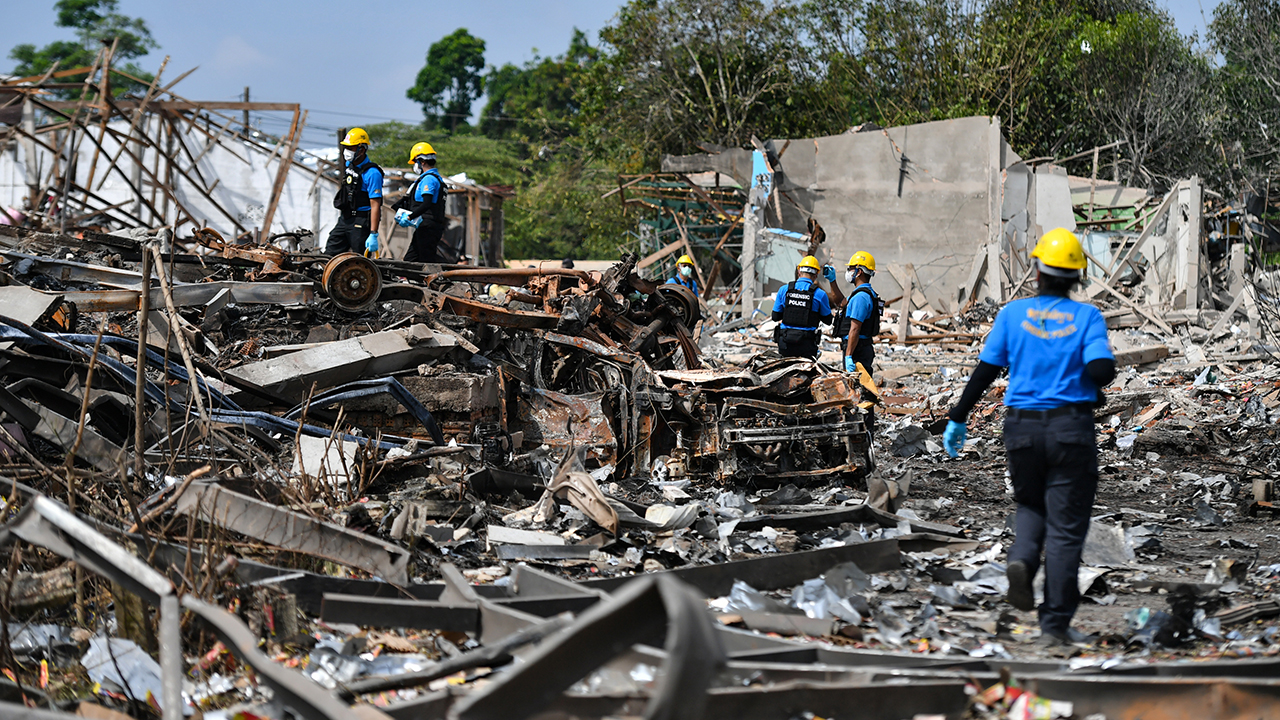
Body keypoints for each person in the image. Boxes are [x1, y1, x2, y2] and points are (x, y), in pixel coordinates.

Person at [942, 227, 1115, 646]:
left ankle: (1020, 559)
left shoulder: (1012, 315)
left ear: (1037, 272)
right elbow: (1102, 371)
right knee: (1066, 529)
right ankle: (1054, 624)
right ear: (1076, 277)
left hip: (1021, 429)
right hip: (1070, 430)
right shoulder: (1087, 317)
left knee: (1030, 505)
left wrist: (958, 418)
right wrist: (1092, 383)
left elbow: (984, 373)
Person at [326, 128, 383, 256]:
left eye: (350, 148)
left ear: (361, 150)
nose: (346, 151)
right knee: (329, 253)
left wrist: (373, 233)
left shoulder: (373, 173)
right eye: (346, 147)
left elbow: (375, 205)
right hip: (345, 218)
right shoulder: (349, 165)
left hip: (361, 221)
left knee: (360, 260)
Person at [394, 142, 447, 263]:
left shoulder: (429, 179)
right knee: (411, 259)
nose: (415, 166)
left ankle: (452, 273)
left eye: (415, 162)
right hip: (424, 226)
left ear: (422, 162)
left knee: (426, 260)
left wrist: (409, 216)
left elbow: (427, 203)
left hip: (428, 227)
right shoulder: (431, 178)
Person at [772, 255, 833, 358]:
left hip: (785, 343)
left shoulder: (784, 290)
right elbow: (828, 320)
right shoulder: (820, 294)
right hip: (807, 345)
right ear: (816, 275)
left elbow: (775, 317)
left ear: (799, 272)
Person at [834, 251, 882, 375]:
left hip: (857, 350)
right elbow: (842, 303)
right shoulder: (862, 294)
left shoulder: (861, 297)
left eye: (850, 268)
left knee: (857, 389)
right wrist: (832, 281)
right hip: (859, 347)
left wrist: (849, 355)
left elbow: (855, 329)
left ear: (859, 271)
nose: (848, 271)